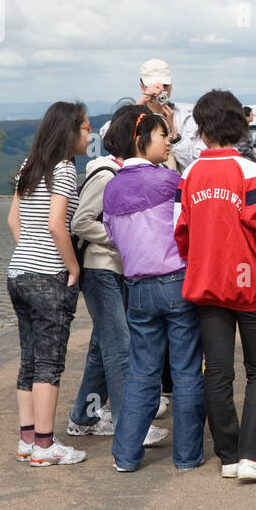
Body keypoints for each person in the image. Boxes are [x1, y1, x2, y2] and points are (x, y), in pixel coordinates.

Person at [176, 89, 256, 481]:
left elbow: (181, 233)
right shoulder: (254, 173)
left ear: (202, 130)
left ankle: (228, 455)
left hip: (207, 282)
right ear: (239, 126)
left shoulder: (188, 176)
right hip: (252, 282)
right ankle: (253, 455)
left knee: (218, 371)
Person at [102, 110, 204, 472]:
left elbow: (113, 239)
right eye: (162, 134)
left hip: (137, 288)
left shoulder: (111, 186)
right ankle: (187, 456)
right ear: (141, 138)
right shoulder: (169, 181)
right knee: (187, 370)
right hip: (177, 282)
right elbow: (190, 229)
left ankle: (127, 456)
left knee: (142, 373)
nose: (168, 140)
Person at [65, 105, 168, 449]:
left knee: (102, 347)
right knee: (120, 348)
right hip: (101, 271)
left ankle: (84, 417)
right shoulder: (107, 174)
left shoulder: (125, 173)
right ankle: (130, 425)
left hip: (116, 271)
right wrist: (123, 238)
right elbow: (81, 221)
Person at [7, 101, 92, 467]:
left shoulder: (30, 166)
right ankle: (45, 445)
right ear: (71, 131)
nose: (91, 134)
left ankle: (28, 440)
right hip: (49, 277)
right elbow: (58, 224)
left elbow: (13, 219)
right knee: (50, 363)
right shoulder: (65, 170)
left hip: (18, 274)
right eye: (87, 128)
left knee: (29, 360)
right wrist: (72, 268)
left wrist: (29, 252)